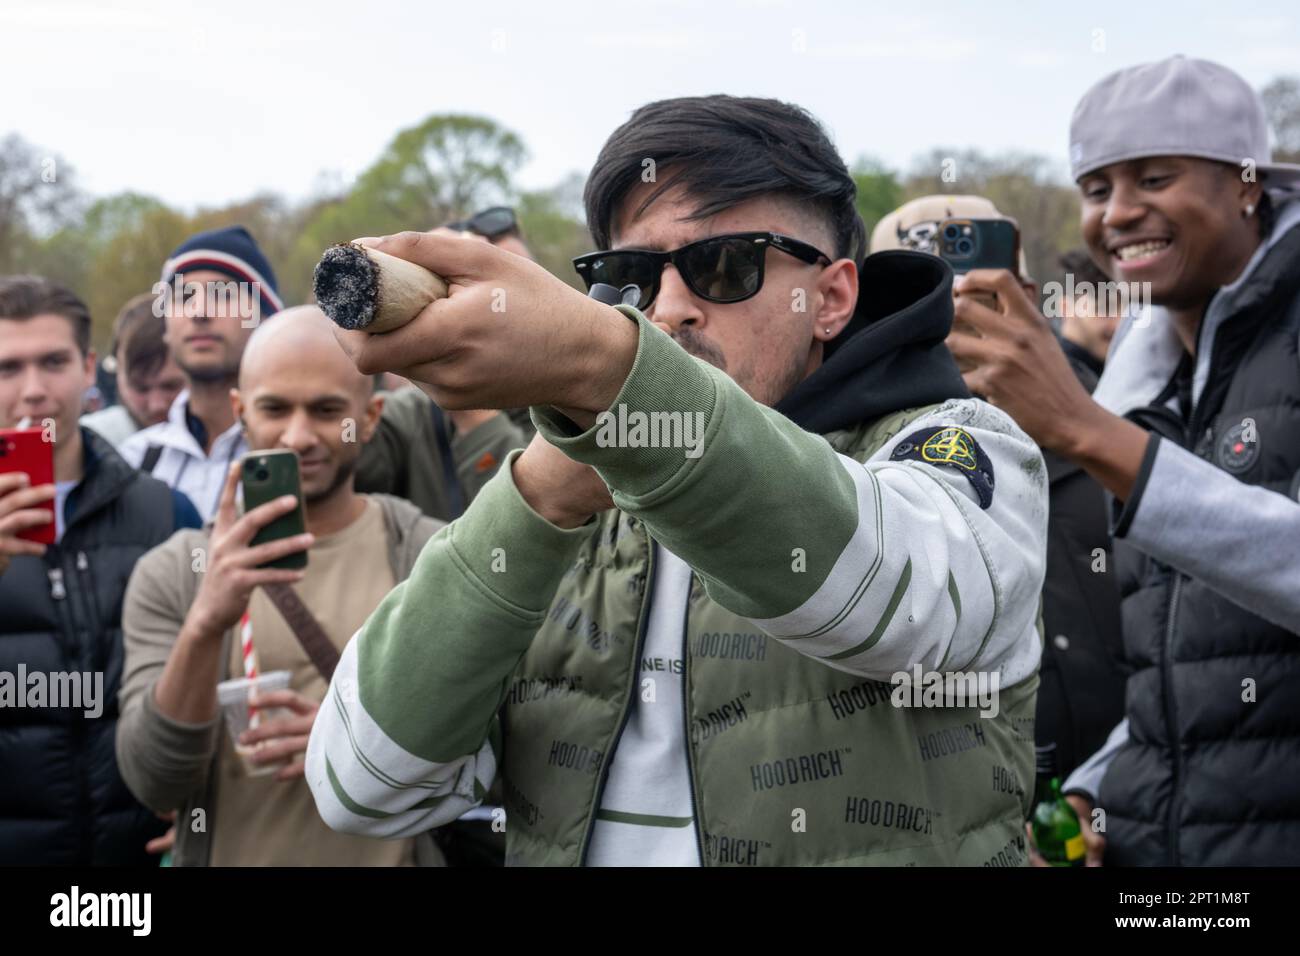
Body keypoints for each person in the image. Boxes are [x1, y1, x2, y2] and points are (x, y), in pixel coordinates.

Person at [308, 95, 1050, 866]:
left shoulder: (963, 444)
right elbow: (362, 787)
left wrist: (609, 370)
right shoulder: (566, 492)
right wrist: (538, 498)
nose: (667, 311)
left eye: (722, 266)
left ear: (831, 298)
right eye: (629, 276)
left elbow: (903, 604)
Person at [945, 55, 1300, 865]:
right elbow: (1183, 675)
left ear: (1249, 183)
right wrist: (1100, 789)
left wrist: (1085, 432)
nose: (1119, 214)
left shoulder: (1101, 419)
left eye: (1156, 177)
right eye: (1098, 189)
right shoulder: (1145, 380)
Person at [115, 306, 445, 866]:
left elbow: (495, 747)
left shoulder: (427, 556)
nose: (298, 436)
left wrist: (354, 740)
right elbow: (154, 780)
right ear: (242, 412)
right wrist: (206, 621)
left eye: (326, 410)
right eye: (274, 409)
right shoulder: (173, 571)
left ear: (369, 418)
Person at [873, 195, 1125, 781]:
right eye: (926, 293)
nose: (953, 311)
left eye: (979, 290)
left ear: (1028, 299)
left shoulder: (1120, 428)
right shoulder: (843, 461)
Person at [0, 276, 201, 865]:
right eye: (8, 368)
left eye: (54, 362)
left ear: (89, 368)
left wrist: (205, 798)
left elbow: (217, 676)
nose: (33, 391)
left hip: (138, 860)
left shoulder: (165, 509)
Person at [120, 226, 284, 520]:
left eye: (223, 296)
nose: (199, 312)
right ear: (166, 329)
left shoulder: (302, 451)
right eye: (183, 296)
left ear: (266, 319)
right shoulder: (130, 461)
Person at [82, 293, 187, 447]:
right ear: (118, 376)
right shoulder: (91, 443)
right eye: (140, 388)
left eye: (170, 386)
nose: (156, 405)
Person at [1055, 249, 1123, 378]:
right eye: (1105, 308)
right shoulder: (1057, 381)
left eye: (1128, 310)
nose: (1119, 324)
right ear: (1066, 309)